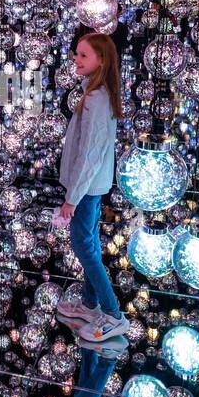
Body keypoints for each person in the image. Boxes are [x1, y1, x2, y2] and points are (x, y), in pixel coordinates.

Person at [54, 33, 126, 342]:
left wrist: (73, 196)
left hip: (85, 188)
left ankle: (113, 313)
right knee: (90, 243)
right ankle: (89, 303)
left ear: (101, 61)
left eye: (84, 55)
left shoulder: (97, 99)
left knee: (83, 246)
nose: (76, 59)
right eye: (76, 54)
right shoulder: (95, 93)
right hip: (89, 186)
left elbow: (90, 153)